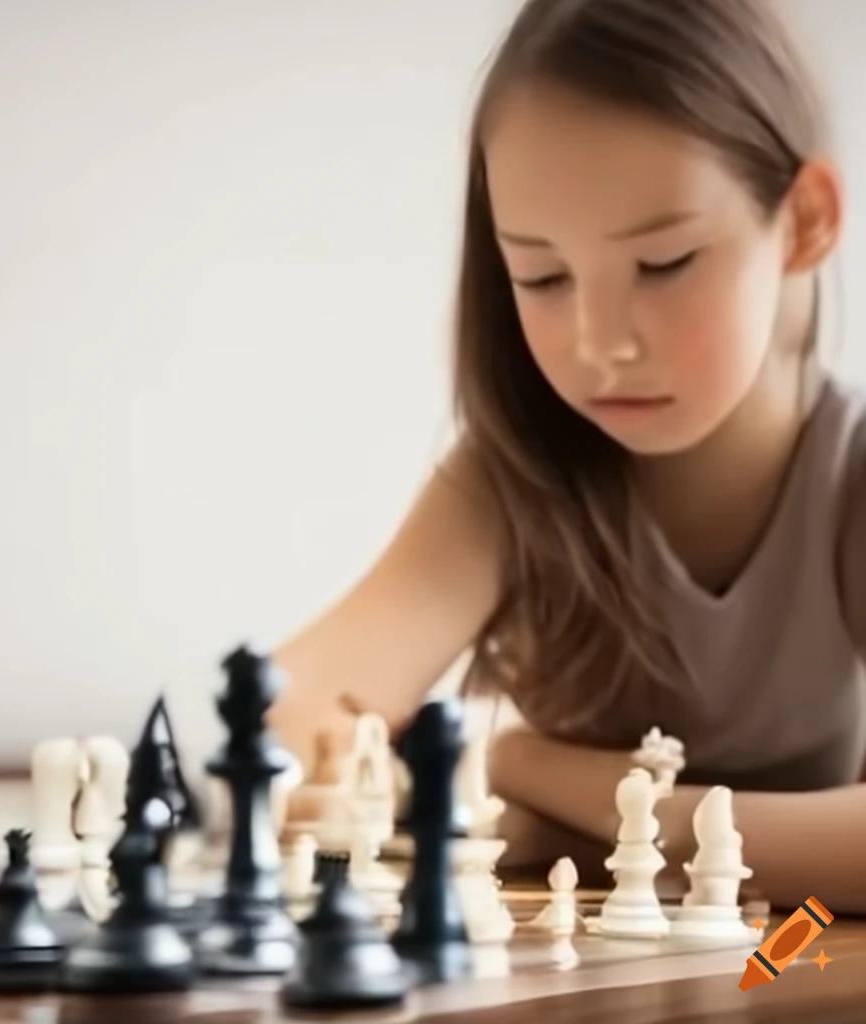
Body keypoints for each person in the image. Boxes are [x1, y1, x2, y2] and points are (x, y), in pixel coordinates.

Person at [268, 0, 865, 913]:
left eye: (663, 263)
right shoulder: (511, 478)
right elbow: (289, 712)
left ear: (806, 219)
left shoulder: (849, 476)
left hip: (802, 966)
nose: (599, 345)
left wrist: (540, 772)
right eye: (541, 276)